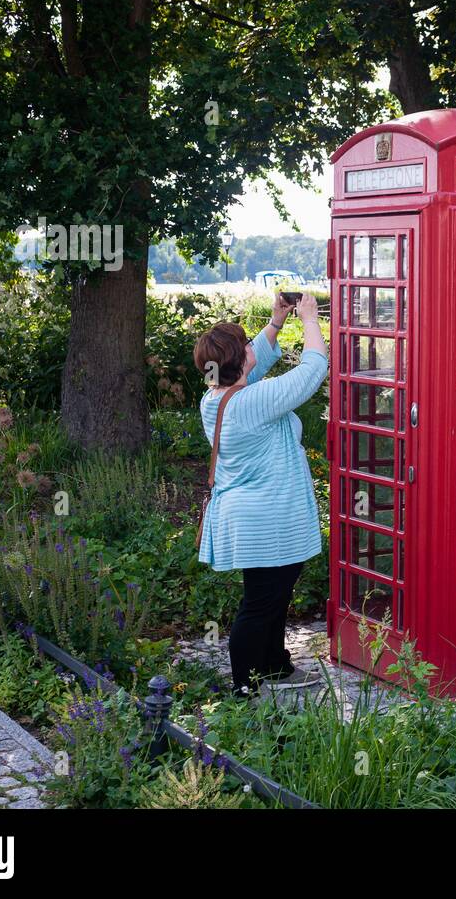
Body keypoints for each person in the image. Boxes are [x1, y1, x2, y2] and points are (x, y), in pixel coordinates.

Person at [192, 293, 328, 695]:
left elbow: (252, 366)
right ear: (237, 361)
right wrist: (308, 319)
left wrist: (275, 322)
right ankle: (244, 689)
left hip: (251, 517)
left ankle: (274, 667)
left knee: (273, 595)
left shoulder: (214, 398)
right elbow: (312, 370)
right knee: (260, 604)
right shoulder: (254, 403)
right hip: (267, 519)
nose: (253, 346)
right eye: (247, 343)